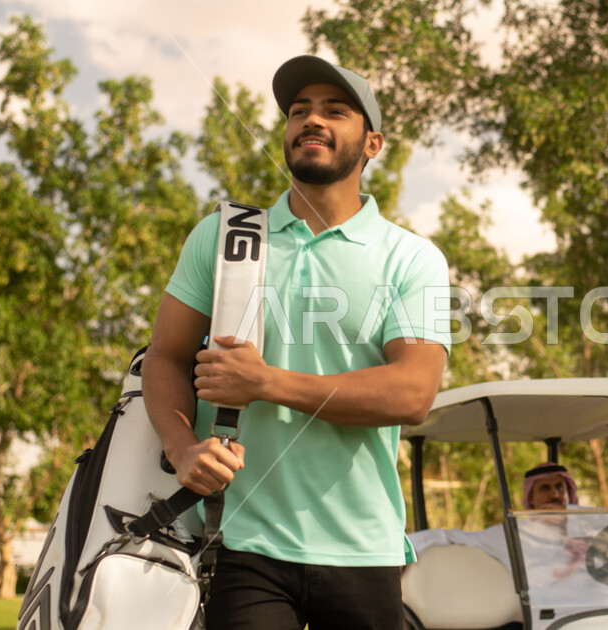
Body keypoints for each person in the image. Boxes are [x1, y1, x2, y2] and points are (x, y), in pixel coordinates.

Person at [143, 55, 451, 630]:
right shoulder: (226, 236)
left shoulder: (412, 258)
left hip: (365, 548)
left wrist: (265, 383)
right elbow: (165, 355)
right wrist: (182, 446)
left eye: (335, 110)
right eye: (299, 110)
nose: (311, 120)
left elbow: (412, 393)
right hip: (241, 543)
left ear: (373, 144)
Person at [408, 463, 608, 628]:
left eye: (560, 487)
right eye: (545, 489)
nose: (555, 494)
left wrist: (571, 519)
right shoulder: (514, 533)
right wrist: (405, 548)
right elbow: (450, 536)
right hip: (560, 618)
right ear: (531, 498)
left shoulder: (589, 526)